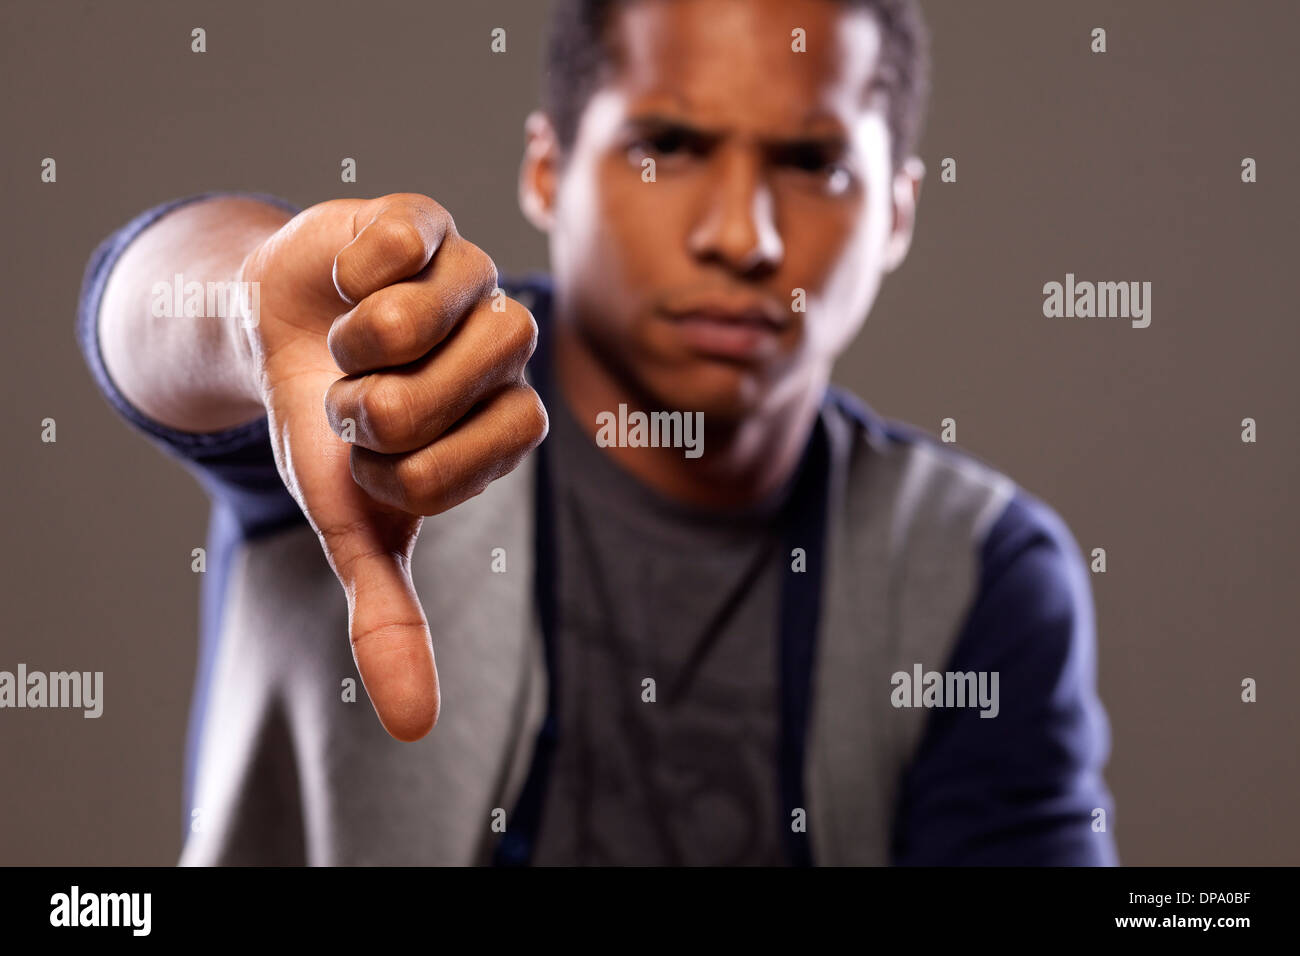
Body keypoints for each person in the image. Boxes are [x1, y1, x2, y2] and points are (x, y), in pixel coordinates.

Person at [77, 0, 1117, 865]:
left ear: (894, 213)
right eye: (668, 145)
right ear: (546, 170)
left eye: (813, 162)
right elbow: (145, 320)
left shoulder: (978, 568)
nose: (741, 234)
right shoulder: (400, 405)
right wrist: (243, 301)